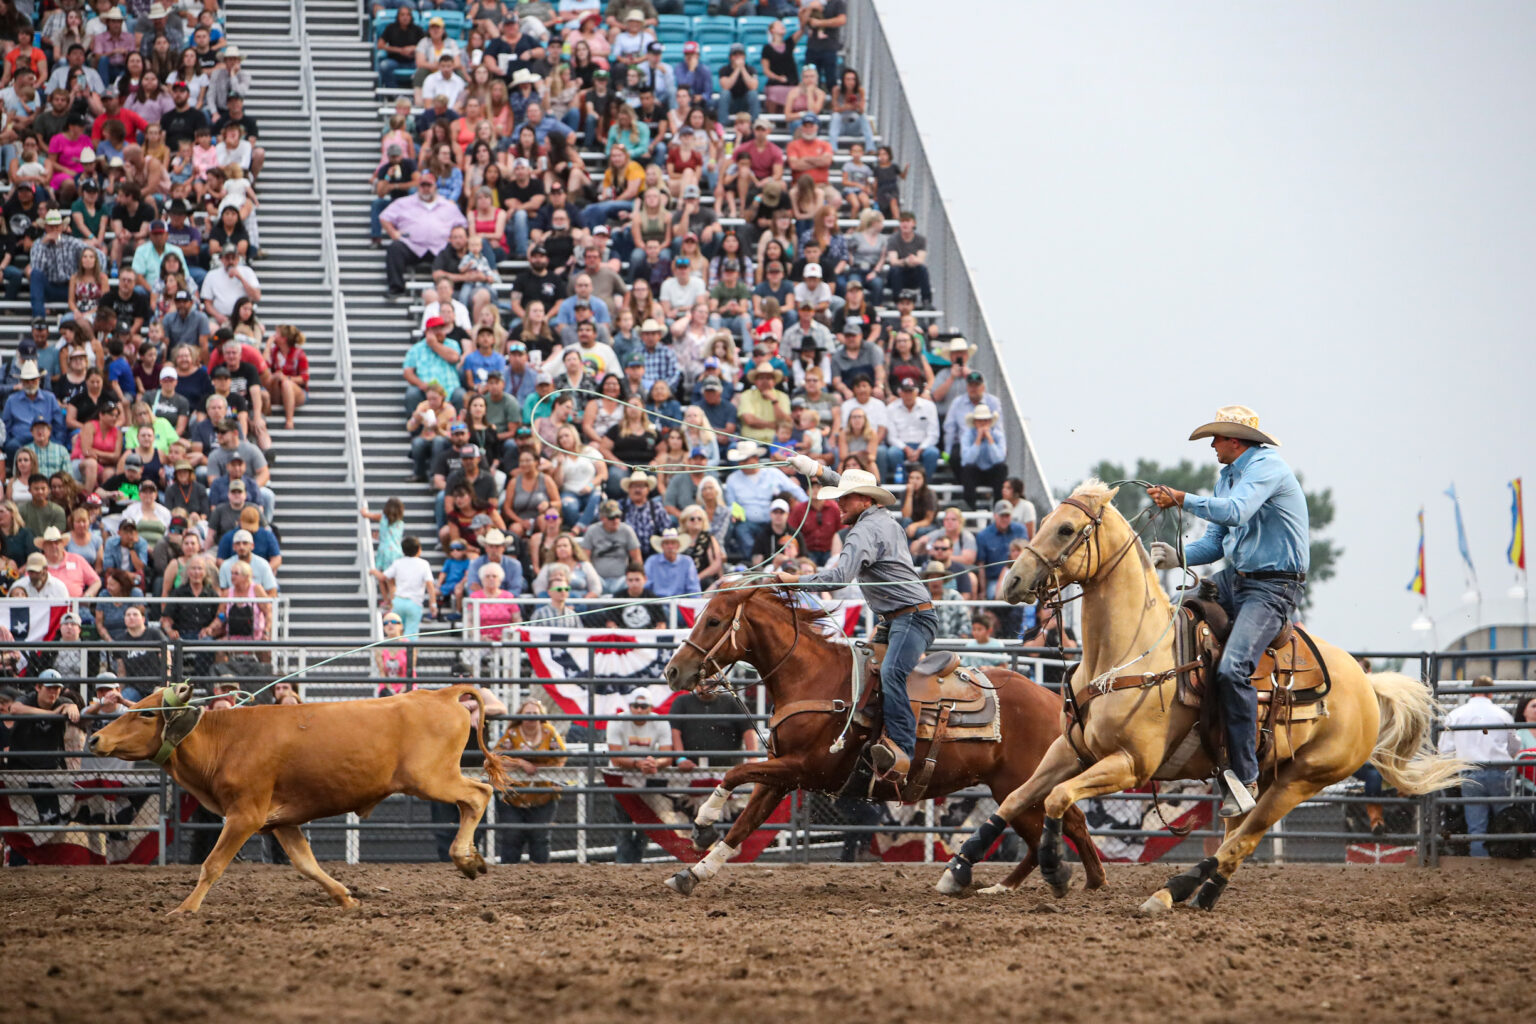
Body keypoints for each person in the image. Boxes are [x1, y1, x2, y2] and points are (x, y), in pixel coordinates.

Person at [1146, 405, 1310, 818]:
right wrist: (1176, 556)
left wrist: (1183, 499)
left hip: (1274, 586)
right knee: (1173, 620)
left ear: (1235, 441)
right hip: (1236, 580)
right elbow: (1215, 543)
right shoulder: (1227, 476)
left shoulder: (1268, 468)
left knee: (1233, 667)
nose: (1213, 447)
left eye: (1216, 439)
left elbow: (1236, 512)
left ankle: (1245, 773)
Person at [781, 459, 936, 784]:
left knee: (892, 673)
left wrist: (793, 580)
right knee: (863, 672)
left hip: (912, 618)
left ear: (864, 500)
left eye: (844, 499)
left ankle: (904, 752)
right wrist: (816, 469)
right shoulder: (881, 516)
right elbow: (851, 486)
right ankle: (869, 739)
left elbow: (838, 577)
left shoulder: (863, 531)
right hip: (902, 617)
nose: (838, 504)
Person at [1438, 678, 1520, 858]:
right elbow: (1514, 747)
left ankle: (1479, 863)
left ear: (1470, 692)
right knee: (1504, 819)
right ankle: (1505, 858)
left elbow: (1444, 750)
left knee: (1476, 826)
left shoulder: (1456, 714)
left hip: (1470, 771)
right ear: (1491, 693)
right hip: (1499, 771)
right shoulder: (1502, 714)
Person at [493, 698, 568, 863]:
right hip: (513, 797)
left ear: (541, 716)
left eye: (535, 713)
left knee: (540, 838)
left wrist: (541, 767)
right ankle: (507, 876)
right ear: (521, 716)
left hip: (543, 795)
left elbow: (561, 756)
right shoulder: (512, 734)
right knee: (511, 837)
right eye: (528, 713)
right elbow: (496, 757)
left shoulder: (548, 732)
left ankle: (541, 876)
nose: (532, 717)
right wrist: (520, 762)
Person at [607, 688, 674, 863]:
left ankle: (633, 863)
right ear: (630, 706)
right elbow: (614, 758)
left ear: (650, 707)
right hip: (621, 777)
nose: (639, 709)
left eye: (643, 706)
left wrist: (655, 763)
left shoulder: (660, 722)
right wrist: (640, 764)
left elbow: (668, 756)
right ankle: (625, 864)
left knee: (646, 827)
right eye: (635, 706)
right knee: (624, 826)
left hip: (646, 778)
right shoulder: (617, 721)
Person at [670, 687, 759, 770]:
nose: (706, 684)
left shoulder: (731, 700)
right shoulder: (682, 701)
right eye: (703, 679)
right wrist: (680, 759)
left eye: (710, 679)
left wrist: (753, 758)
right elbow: (674, 731)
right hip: (689, 770)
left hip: (728, 770)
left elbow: (748, 729)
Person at [372, 534, 437, 637]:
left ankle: (397, 653)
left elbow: (383, 577)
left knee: (397, 633)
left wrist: (373, 571)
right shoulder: (424, 564)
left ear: (402, 550)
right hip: (414, 603)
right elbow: (430, 585)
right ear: (419, 549)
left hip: (398, 602)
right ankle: (409, 653)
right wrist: (433, 604)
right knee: (411, 633)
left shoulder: (398, 563)